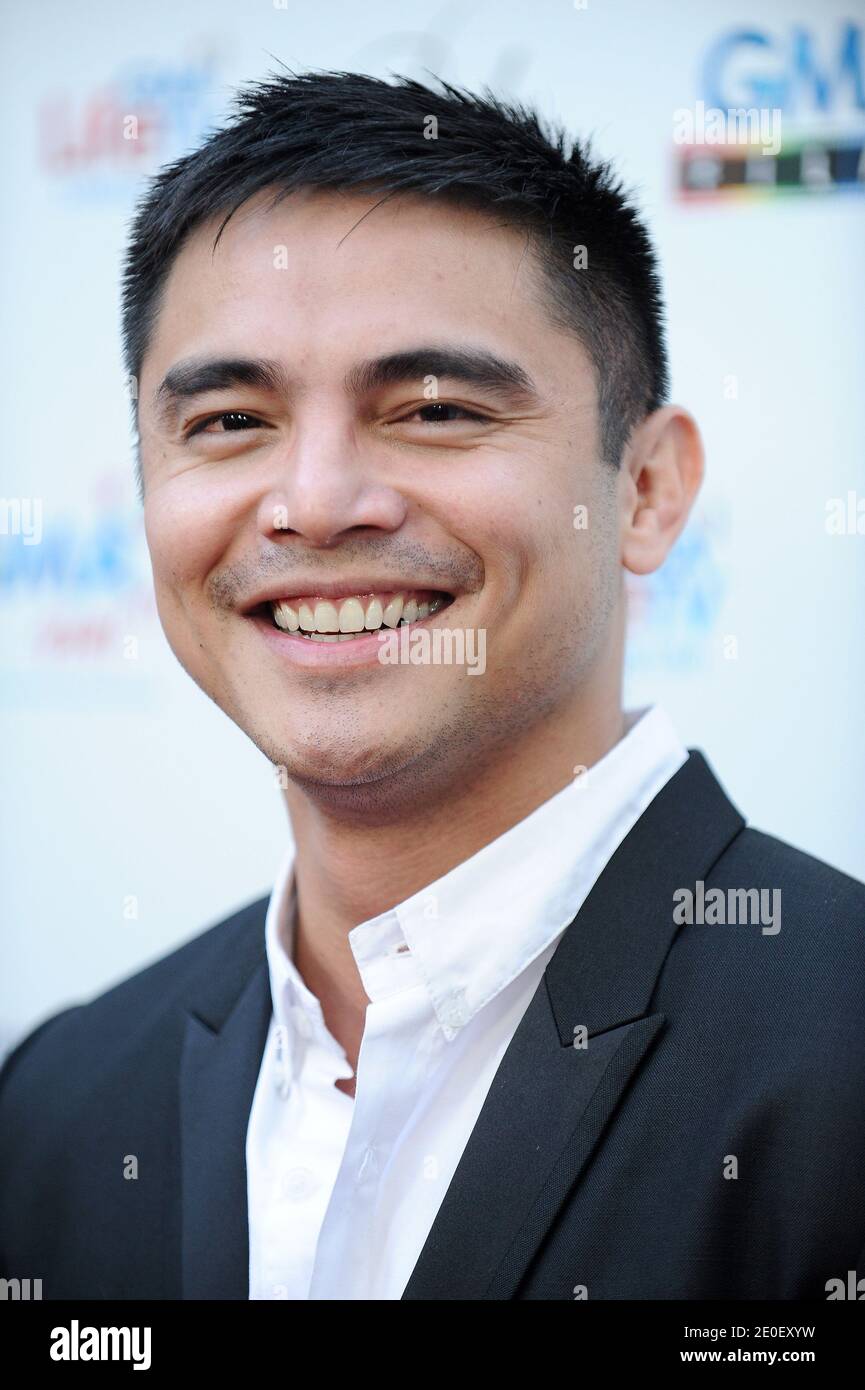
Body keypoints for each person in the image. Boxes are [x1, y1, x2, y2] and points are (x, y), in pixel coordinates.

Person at [1, 70, 863, 1302]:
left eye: (435, 408)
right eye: (231, 422)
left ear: (647, 488)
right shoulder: (60, 1105)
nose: (314, 503)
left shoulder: (838, 1051)